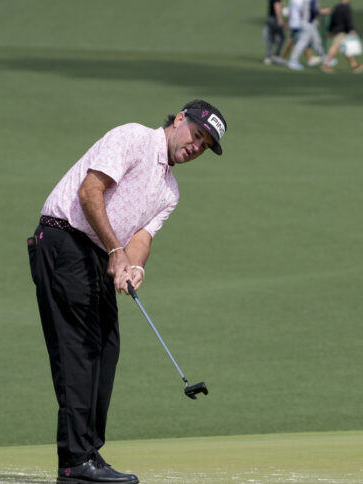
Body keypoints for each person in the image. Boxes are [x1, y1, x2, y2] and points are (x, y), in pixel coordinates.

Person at [27, 99, 227, 483]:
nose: (196, 147)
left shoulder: (170, 189)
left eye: (205, 146)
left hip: (98, 254)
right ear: (180, 119)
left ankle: (89, 454)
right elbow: (90, 193)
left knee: (106, 347)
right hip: (63, 240)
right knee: (80, 350)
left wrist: (133, 266)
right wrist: (116, 252)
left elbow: (142, 237)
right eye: (197, 135)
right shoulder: (134, 137)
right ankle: (75, 462)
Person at [321, 0, 363, 73]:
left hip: (337, 29)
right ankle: (326, 64)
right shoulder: (346, 7)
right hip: (342, 30)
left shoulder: (337, 6)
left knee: (346, 48)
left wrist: (330, 30)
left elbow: (332, 19)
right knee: (335, 46)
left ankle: (354, 65)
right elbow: (347, 19)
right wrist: (351, 29)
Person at [288, 0, 329, 70]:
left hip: (308, 23)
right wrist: (322, 11)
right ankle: (293, 60)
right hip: (308, 24)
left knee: (317, 42)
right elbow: (313, 11)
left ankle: (325, 59)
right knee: (302, 43)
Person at [264, 0, 287, 65]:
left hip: (270, 18)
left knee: (270, 38)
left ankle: (269, 57)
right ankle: (276, 55)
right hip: (275, 19)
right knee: (282, 37)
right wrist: (280, 19)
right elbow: (277, 6)